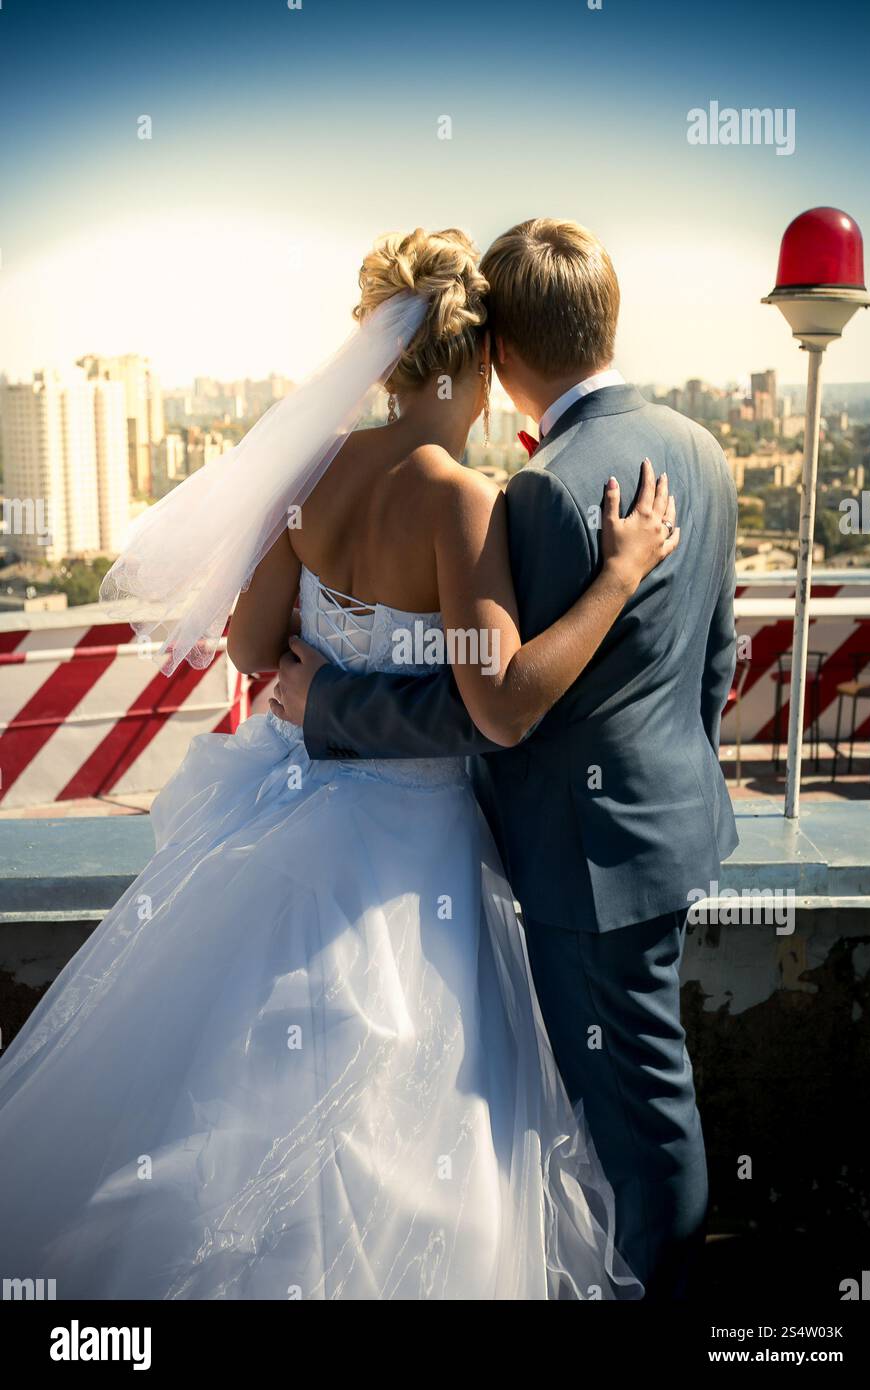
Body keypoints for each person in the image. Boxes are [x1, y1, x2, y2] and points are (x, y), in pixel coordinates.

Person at [0, 226, 677, 1300]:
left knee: (210, 1089)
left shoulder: (316, 470)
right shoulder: (461, 498)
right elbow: (496, 702)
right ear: (471, 360)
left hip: (277, 810)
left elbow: (252, 651)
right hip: (409, 845)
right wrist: (616, 576)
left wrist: (327, 679)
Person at [275, 218, 740, 1301]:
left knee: (633, 1108)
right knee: (640, 1088)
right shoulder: (700, 449)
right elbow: (711, 662)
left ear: (499, 351)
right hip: (663, 831)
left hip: (579, 858)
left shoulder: (542, 487)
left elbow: (490, 702)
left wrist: (329, 702)